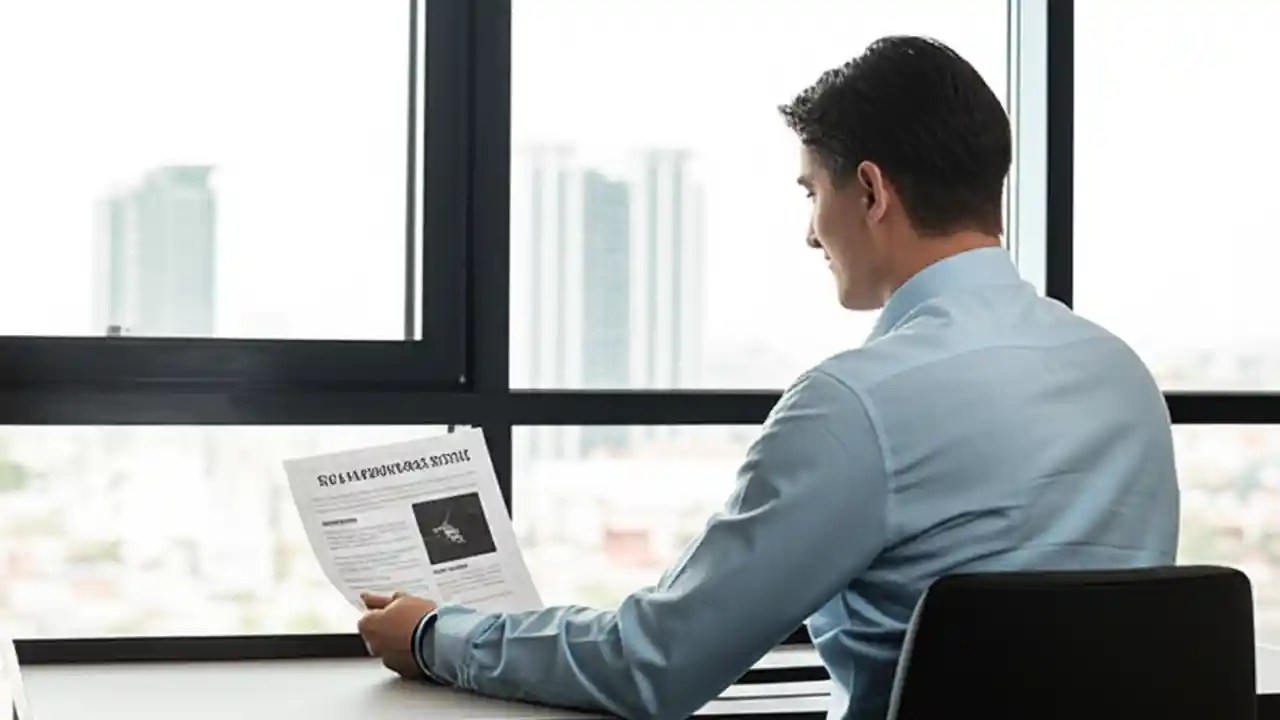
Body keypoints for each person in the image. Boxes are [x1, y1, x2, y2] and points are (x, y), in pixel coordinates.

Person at [357, 35, 1179, 720]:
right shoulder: (1123, 377)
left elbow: (655, 664)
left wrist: (438, 637)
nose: (810, 233)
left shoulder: (857, 405)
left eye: (810, 192)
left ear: (869, 191)